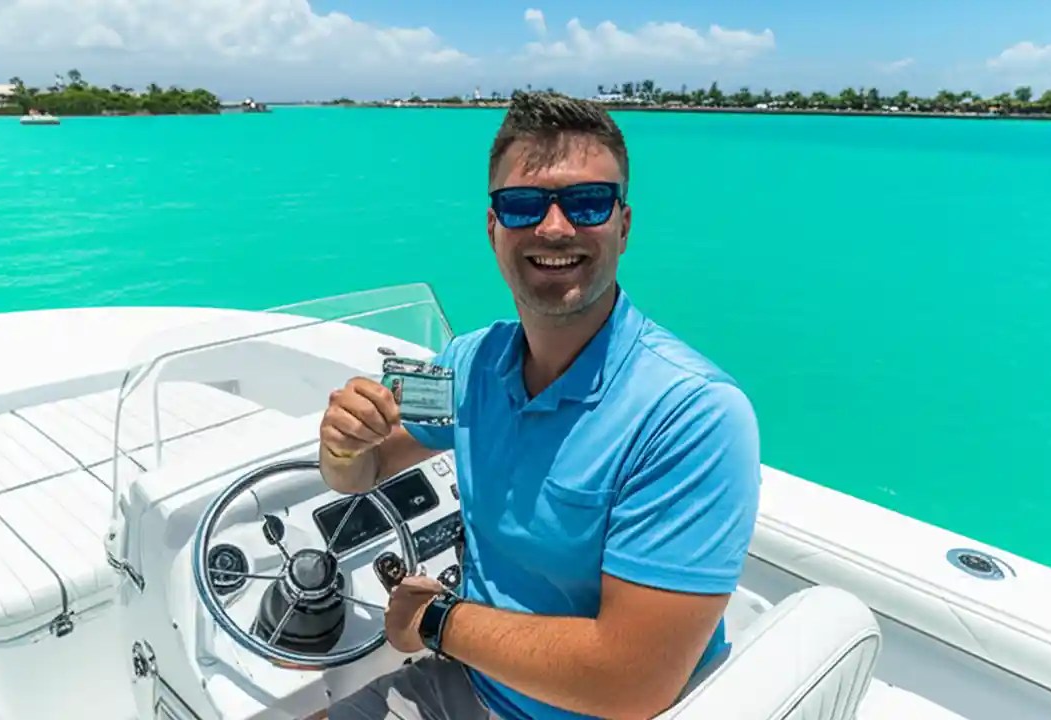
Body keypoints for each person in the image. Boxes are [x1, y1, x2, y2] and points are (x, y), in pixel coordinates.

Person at [317, 91, 760, 720]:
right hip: (473, 681)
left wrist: (434, 618)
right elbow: (360, 473)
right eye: (524, 205)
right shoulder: (469, 364)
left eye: (587, 203)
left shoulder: (691, 414)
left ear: (623, 227)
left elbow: (630, 683)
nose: (555, 227)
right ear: (494, 229)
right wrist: (341, 442)